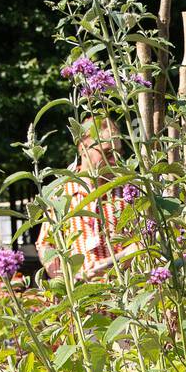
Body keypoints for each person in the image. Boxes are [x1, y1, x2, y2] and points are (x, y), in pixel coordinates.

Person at [37, 116, 130, 278]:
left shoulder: (128, 190)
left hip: (123, 294)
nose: (115, 160)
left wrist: (110, 264)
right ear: (83, 148)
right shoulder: (61, 192)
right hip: (80, 298)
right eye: (108, 152)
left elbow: (144, 242)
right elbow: (46, 245)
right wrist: (63, 279)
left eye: (119, 152)